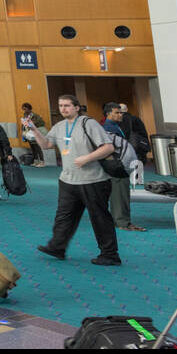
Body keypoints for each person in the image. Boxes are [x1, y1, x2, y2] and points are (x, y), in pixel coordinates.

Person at [30, 94, 120, 266]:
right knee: (64, 217)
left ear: (77, 107)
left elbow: (108, 147)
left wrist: (87, 158)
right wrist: (34, 130)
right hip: (68, 181)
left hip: (93, 180)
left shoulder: (89, 123)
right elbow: (46, 145)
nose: (63, 109)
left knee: (99, 218)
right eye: (61, 105)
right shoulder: (59, 126)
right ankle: (57, 247)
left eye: (67, 105)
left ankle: (110, 254)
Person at [102, 102, 146, 233]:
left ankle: (119, 220)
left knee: (118, 195)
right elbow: (107, 148)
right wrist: (115, 163)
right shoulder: (109, 128)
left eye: (121, 112)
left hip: (120, 166)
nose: (121, 114)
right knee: (120, 195)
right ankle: (123, 222)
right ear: (108, 114)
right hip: (118, 167)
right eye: (117, 112)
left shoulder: (115, 126)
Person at [21, 102, 48, 167]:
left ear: (29, 109)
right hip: (28, 133)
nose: (25, 110)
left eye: (26, 109)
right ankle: (36, 161)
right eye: (23, 109)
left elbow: (41, 123)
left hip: (36, 132)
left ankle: (42, 162)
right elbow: (24, 124)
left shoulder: (35, 115)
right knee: (32, 147)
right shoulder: (25, 115)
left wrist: (31, 123)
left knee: (37, 147)